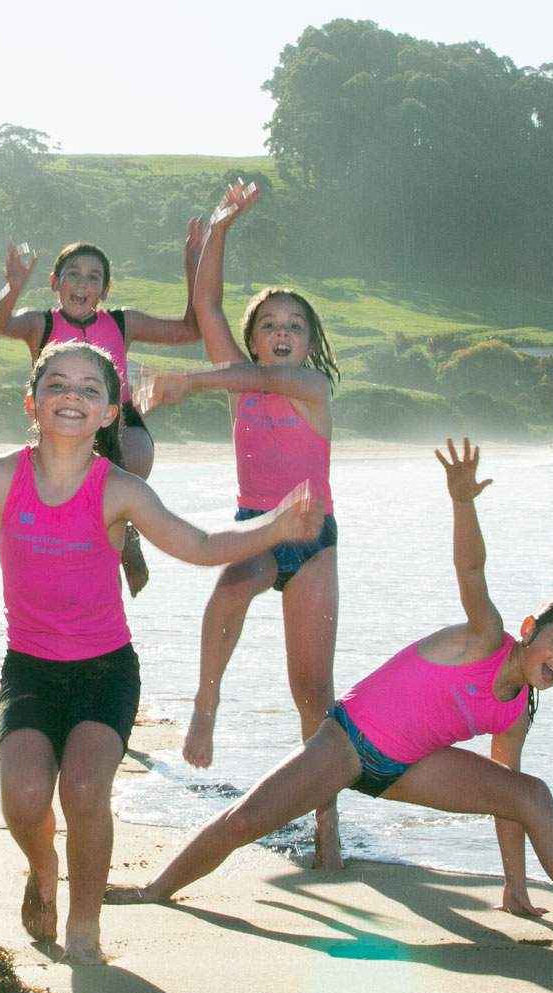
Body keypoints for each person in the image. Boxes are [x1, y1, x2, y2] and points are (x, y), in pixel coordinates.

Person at [0, 341, 323, 964]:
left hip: (106, 671)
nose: (71, 395)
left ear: (109, 414)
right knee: (23, 799)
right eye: (56, 384)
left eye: (89, 388)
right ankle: (43, 863)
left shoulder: (120, 491)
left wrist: (275, 526)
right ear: (32, 402)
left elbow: (201, 542)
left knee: (83, 789)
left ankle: (85, 925)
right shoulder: (1, 477)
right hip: (29, 671)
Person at [106, 439, 553, 939]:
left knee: (531, 794)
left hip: (407, 769)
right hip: (347, 743)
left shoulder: (515, 711)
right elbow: (472, 571)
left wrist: (515, 884)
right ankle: (157, 889)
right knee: (248, 821)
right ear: (530, 631)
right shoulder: (484, 638)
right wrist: (463, 502)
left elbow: (509, 801)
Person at [136, 180, 343, 868]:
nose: (281, 334)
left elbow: (253, 382)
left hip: (312, 540)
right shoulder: (241, 374)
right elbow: (206, 306)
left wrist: (187, 382)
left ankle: (327, 818)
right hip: (259, 527)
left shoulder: (312, 388)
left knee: (312, 693)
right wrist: (220, 228)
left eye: (294, 326)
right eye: (270, 325)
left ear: (309, 343)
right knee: (229, 589)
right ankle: (205, 703)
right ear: (254, 336)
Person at [0, 223, 204, 596]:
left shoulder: (122, 322)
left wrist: (193, 263)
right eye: (73, 275)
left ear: (105, 289)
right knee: (68, 538)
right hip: (61, 436)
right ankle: (108, 545)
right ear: (55, 282)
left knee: (100, 516)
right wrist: (14, 285)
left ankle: (121, 528)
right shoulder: (42, 324)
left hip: (121, 433)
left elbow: (189, 330)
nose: (83, 285)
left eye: (93, 278)